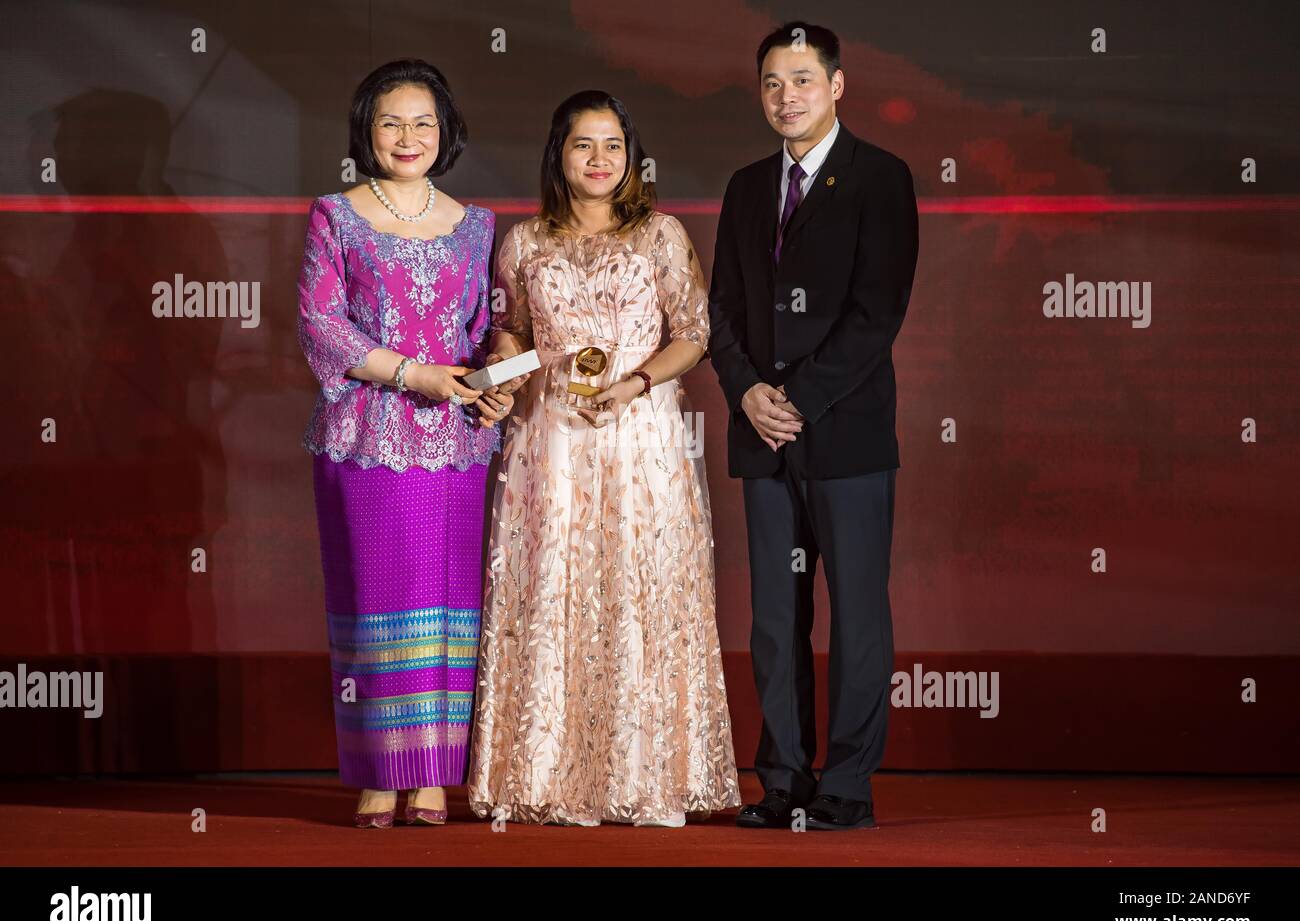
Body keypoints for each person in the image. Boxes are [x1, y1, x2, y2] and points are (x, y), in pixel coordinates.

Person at [467, 90, 742, 827]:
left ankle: (645, 776)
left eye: (613, 145)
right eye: (583, 145)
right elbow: (510, 335)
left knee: (637, 588)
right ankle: (549, 778)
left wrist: (635, 384)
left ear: (632, 156)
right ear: (558, 154)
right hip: (549, 441)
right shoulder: (523, 243)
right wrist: (499, 375)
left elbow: (695, 331)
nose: (599, 160)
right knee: (552, 589)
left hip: (640, 438)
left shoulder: (660, 236)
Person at [297, 59, 521, 828]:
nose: (407, 136)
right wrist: (414, 375)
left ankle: (431, 777)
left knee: (448, 606)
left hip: (455, 449)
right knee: (375, 602)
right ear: (366, 130)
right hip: (366, 439)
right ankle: (378, 773)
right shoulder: (336, 214)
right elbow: (323, 325)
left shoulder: (476, 225)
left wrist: (495, 384)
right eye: (391, 122)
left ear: (446, 132)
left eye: (423, 122)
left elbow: (487, 333)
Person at [708, 22, 919, 830]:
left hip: (848, 435)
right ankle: (784, 776)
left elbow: (877, 314)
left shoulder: (882, 179)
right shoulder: (746, 187)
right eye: (770, 83)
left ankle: (849, 783)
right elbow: (719, 307)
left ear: (836, 87)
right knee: (774, 618)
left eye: (801, 80)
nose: (784, 97)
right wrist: (747, 393)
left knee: (859, 613)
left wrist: (798, 399)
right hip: (761, 437)